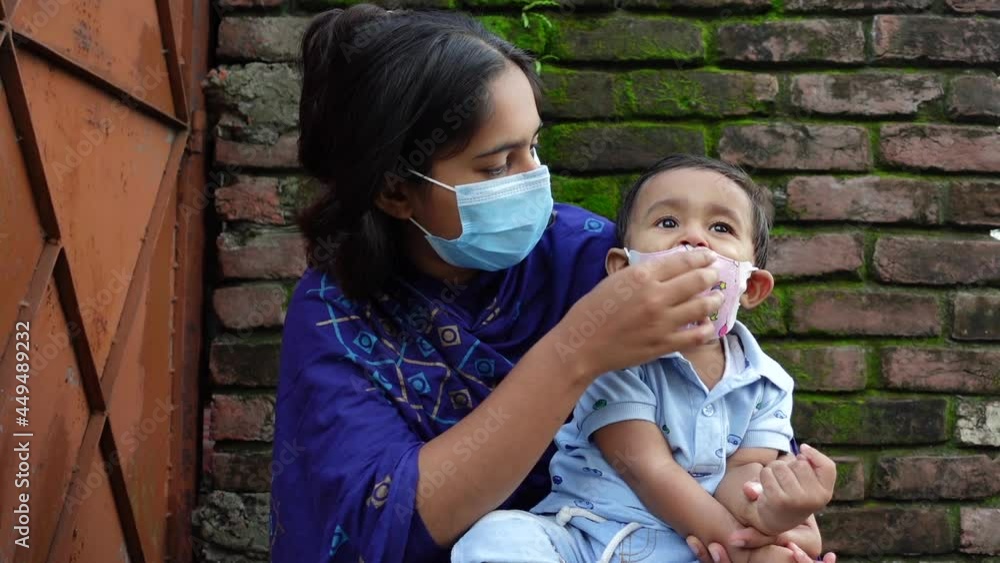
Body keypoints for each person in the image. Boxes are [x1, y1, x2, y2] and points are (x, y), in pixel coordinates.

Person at [268, 5, 836, 562]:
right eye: (496, 166)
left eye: (532, 147)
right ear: (395, 190)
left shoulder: (592, 256)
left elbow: (727, 437)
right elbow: (381, 523)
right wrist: (577, 351)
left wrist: (778, 530)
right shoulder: (337, 317)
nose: (531, 180)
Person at [451, 155, 838, 563]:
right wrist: (738, 547)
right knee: (496, 537)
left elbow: (743, 476)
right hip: (590, 539)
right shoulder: (612, 356)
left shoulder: (768, 383)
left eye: (720, 227)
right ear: (623, 270)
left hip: (690, 549)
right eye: (668, 223)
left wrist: (778, 511)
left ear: (752, 286)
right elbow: (644, 467)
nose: (693, 238)